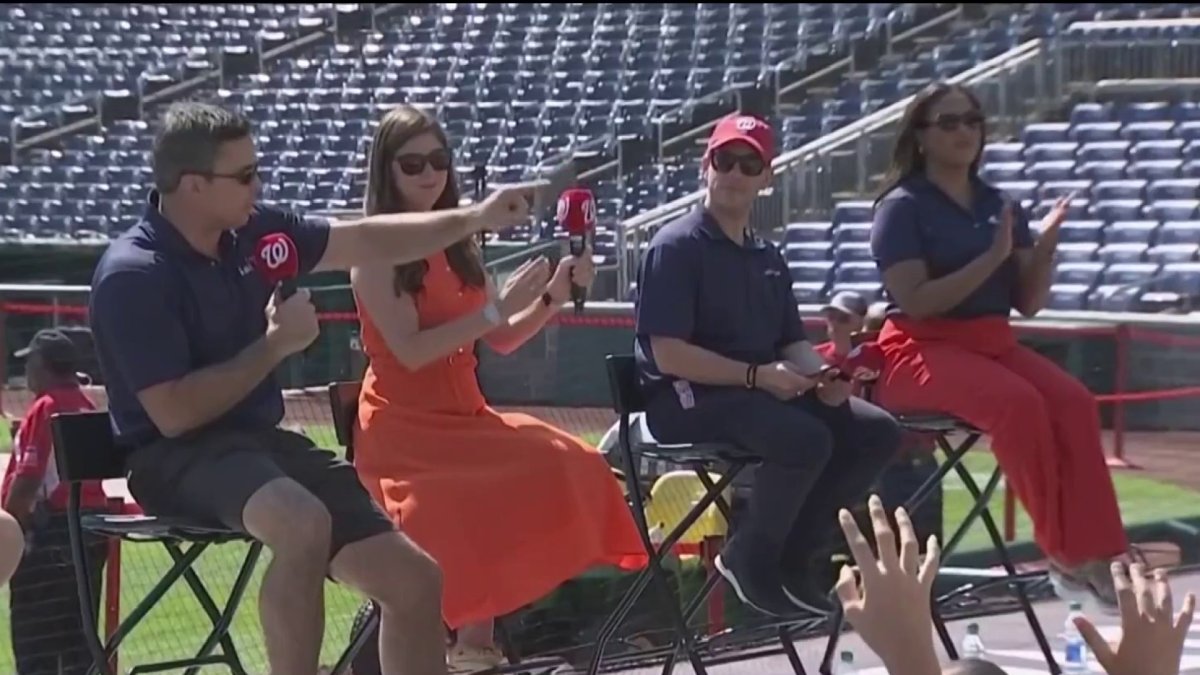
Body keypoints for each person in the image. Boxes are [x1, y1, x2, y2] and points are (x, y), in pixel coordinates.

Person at [87, 101, 544, 675]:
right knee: (302, 522)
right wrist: (275, 346)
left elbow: (369, 240)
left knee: (415, 581)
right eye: (246, 175)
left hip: (260, 447)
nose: (260, 185)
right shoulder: (135, 275)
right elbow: (174, 414)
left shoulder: (255, 234)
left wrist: (473, 218)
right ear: (194, 186)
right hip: (175, 457)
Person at [349, 104, 647, 673]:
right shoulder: (373, 253)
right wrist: (491, 309)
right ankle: (465, 643)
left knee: (573, 460)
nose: (429, 173)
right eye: (412, 164)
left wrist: (554, 294)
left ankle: (472, 642)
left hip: (467, 416)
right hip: (405, 430)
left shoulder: (461, 238)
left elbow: (503, 336)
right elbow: (411, 351)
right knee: (451, 502)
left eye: (438, 160)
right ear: (386, 171)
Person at [868, 81, 1131, 611]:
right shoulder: (900, 206)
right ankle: (1066, 556)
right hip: (918, 348)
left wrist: (1046, 248)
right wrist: (992, 258)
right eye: (949, 122)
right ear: (921, 136)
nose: (965, 131)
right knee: (1018, 404)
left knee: (1075, 402)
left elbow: (1027, 302)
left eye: (972, 121)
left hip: (991, 341)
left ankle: (1100, 553)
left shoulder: (999, 203)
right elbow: (915, 301)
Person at [633, 112, 903, 618]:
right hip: (686, 398)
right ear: (705, 167)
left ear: (766, 176)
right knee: (803, 439)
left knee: (877, 431)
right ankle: (751, 558)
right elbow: (669, 355)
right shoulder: (676, 246)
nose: (735, 172)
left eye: (749, 163)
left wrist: (826, 376)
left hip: (753, 394)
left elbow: (793, 345)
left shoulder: (767, 255)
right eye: (725, 160)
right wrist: (758, 377)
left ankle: (796, 554)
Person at [2, 329, 108, 675]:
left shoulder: (45, 407)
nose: (27, 372)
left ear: (45, 366)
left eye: (30, 362)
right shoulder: (85, 404)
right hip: (88, 534)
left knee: (36, 649)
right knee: (79, 646)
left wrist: (8, 527)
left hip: (48, 539)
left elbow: (30, 479)